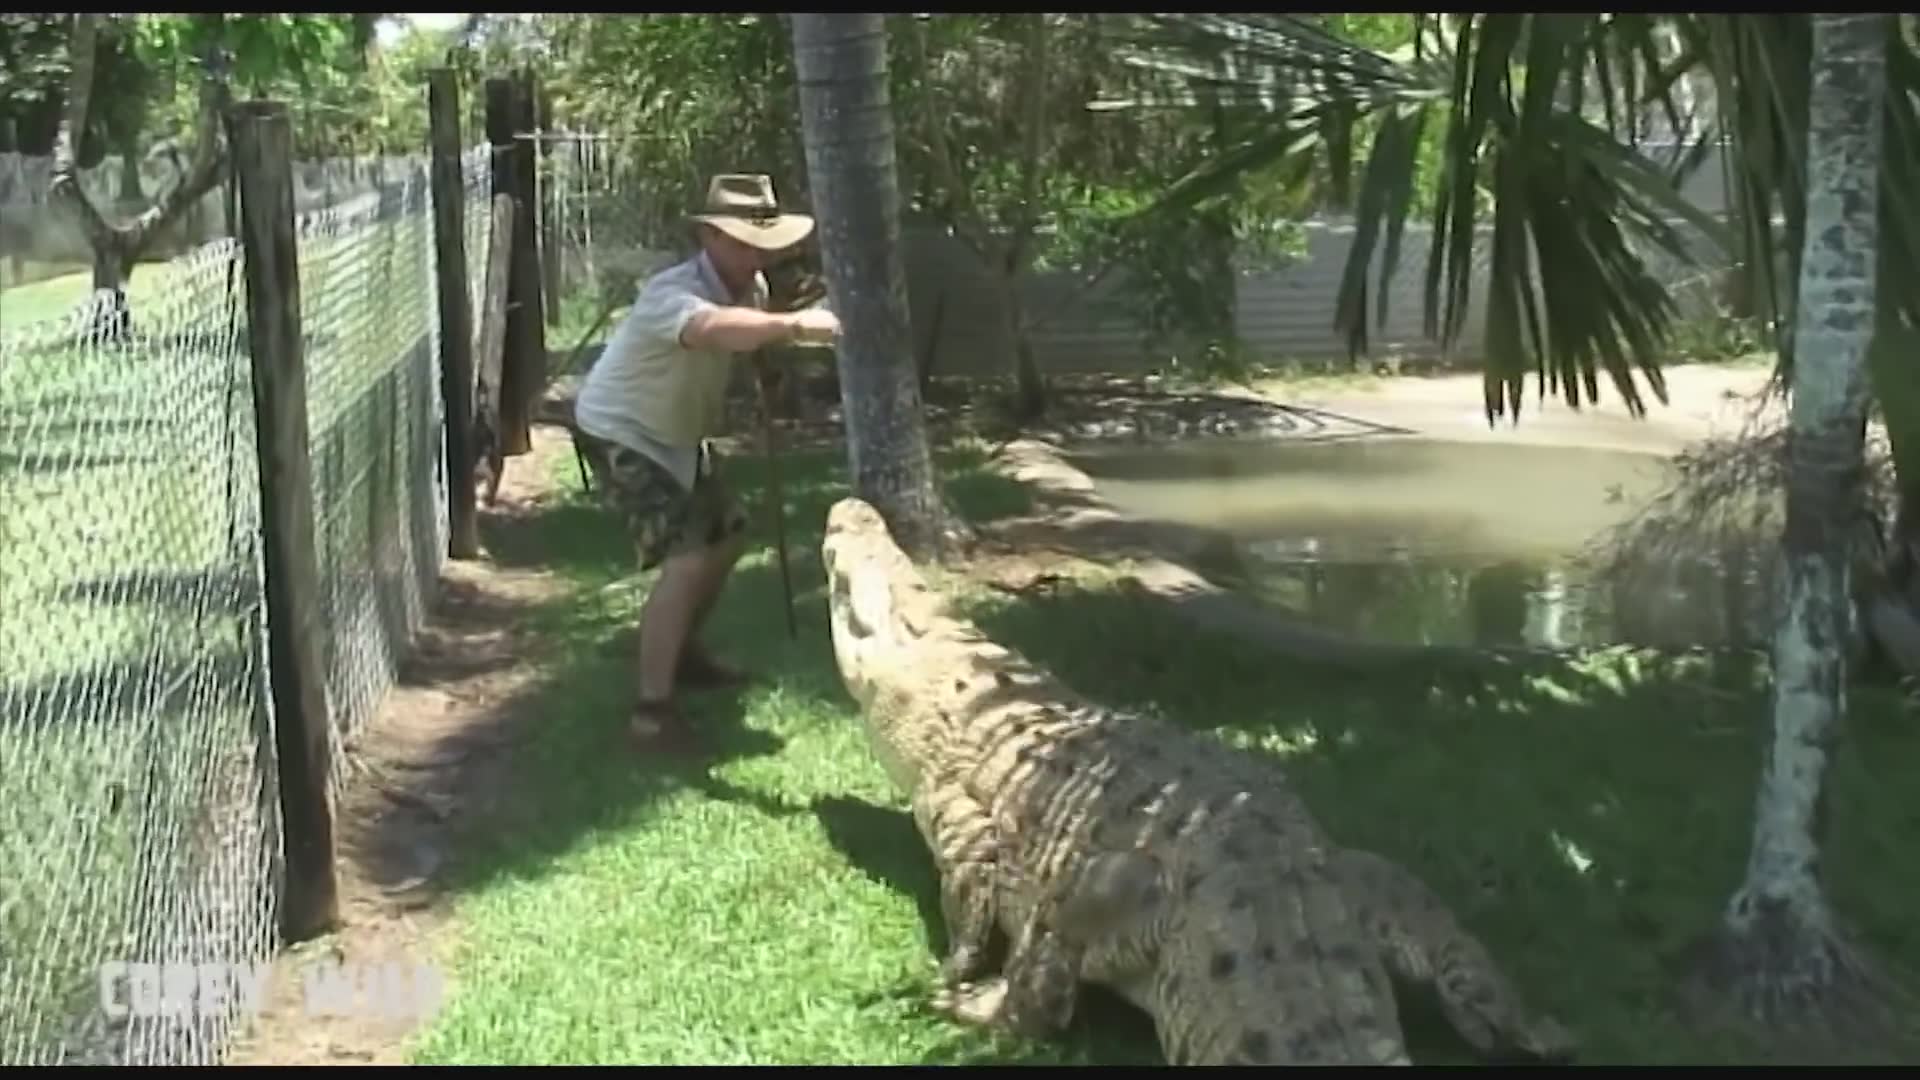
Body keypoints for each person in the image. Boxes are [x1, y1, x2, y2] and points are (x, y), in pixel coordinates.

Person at [572, 173, 841, 754]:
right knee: (689, 557)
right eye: (743, 242)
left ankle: (684, 655)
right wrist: (794, 326)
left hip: (677, 435)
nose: (756, 254)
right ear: (708, 237)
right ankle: (651, 713)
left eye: (762, 242)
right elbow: (710, 329)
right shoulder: (671, 292)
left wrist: (770, 375)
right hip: (623, 430)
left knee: (727, 535)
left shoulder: (754, 288)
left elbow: (745, 345)